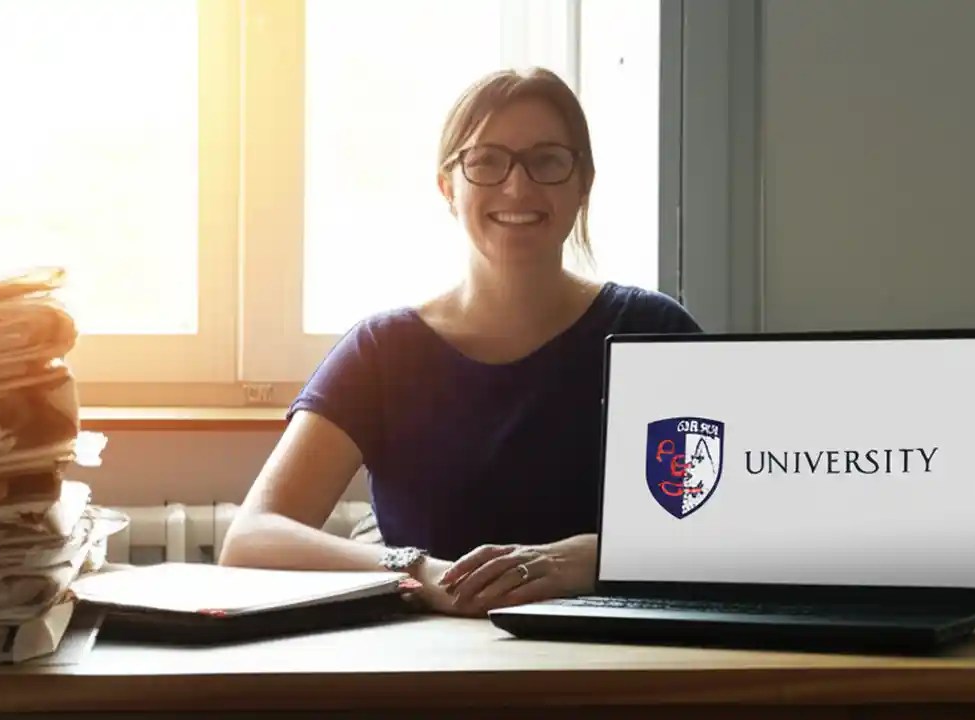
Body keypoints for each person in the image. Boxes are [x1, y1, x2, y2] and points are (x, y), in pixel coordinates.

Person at [218, 67, 702, 617]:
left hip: (618, 666)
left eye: (547, 161)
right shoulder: (382, 351)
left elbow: (730, 530)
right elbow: (251, 537)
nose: (517, 187)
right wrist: (418, 571)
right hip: (432, 672)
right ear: (448, 186)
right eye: (487, 161)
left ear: (583, 183)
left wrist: (588, 561)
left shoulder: (653, 330)